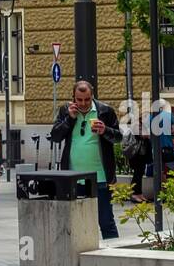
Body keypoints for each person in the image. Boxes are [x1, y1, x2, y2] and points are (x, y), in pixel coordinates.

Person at [48, 79, 121, 239]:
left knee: (106, 221)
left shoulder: (105, 111)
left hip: (100, 177)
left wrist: (105, 130)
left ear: (92, 96)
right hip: (73, 177)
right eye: (79, 100)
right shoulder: (65, 111)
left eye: (87, 99)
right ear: (73, 98)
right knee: (75, 222)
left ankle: (114, 256)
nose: (83, 103)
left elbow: (119, 137)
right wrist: (70, 118)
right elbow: (55, 137)